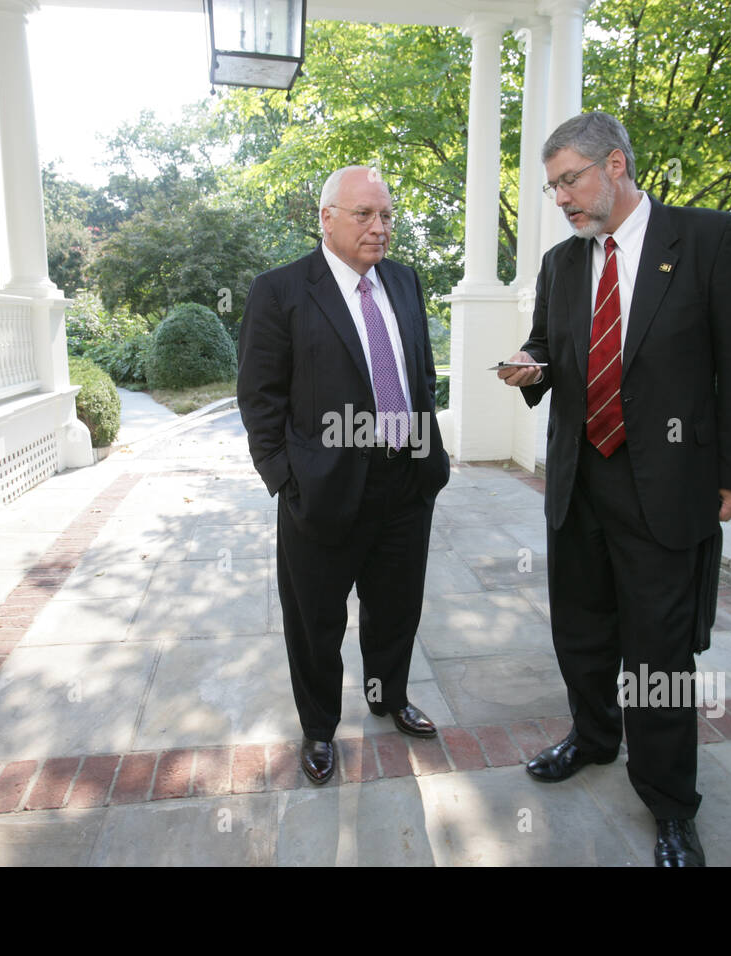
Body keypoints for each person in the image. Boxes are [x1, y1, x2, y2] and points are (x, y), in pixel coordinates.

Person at [498, 112, 731, 866]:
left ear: (615, 165)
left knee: (661, 658)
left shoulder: (710, 240)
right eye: (553, 188)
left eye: (569, 181)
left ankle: (671, 802)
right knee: (581, 633)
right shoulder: (561, 264)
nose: (561, 199)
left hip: (668, 486)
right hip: (580, 483)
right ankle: (592, 736)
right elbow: (548, 351)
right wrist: (528, 367)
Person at [238, 165, 451, 784]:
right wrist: (285, 478)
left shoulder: (406, 283)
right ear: (326, 217)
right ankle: (319, 728)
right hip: (321, 490)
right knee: (316, 620)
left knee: (396, 608)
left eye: (386, 215)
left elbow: (421, 377)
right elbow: (259, 397)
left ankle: (388, 698)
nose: (380, 228)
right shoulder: (280, 291)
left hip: (404, 485)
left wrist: (428, 462)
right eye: (365, 215)